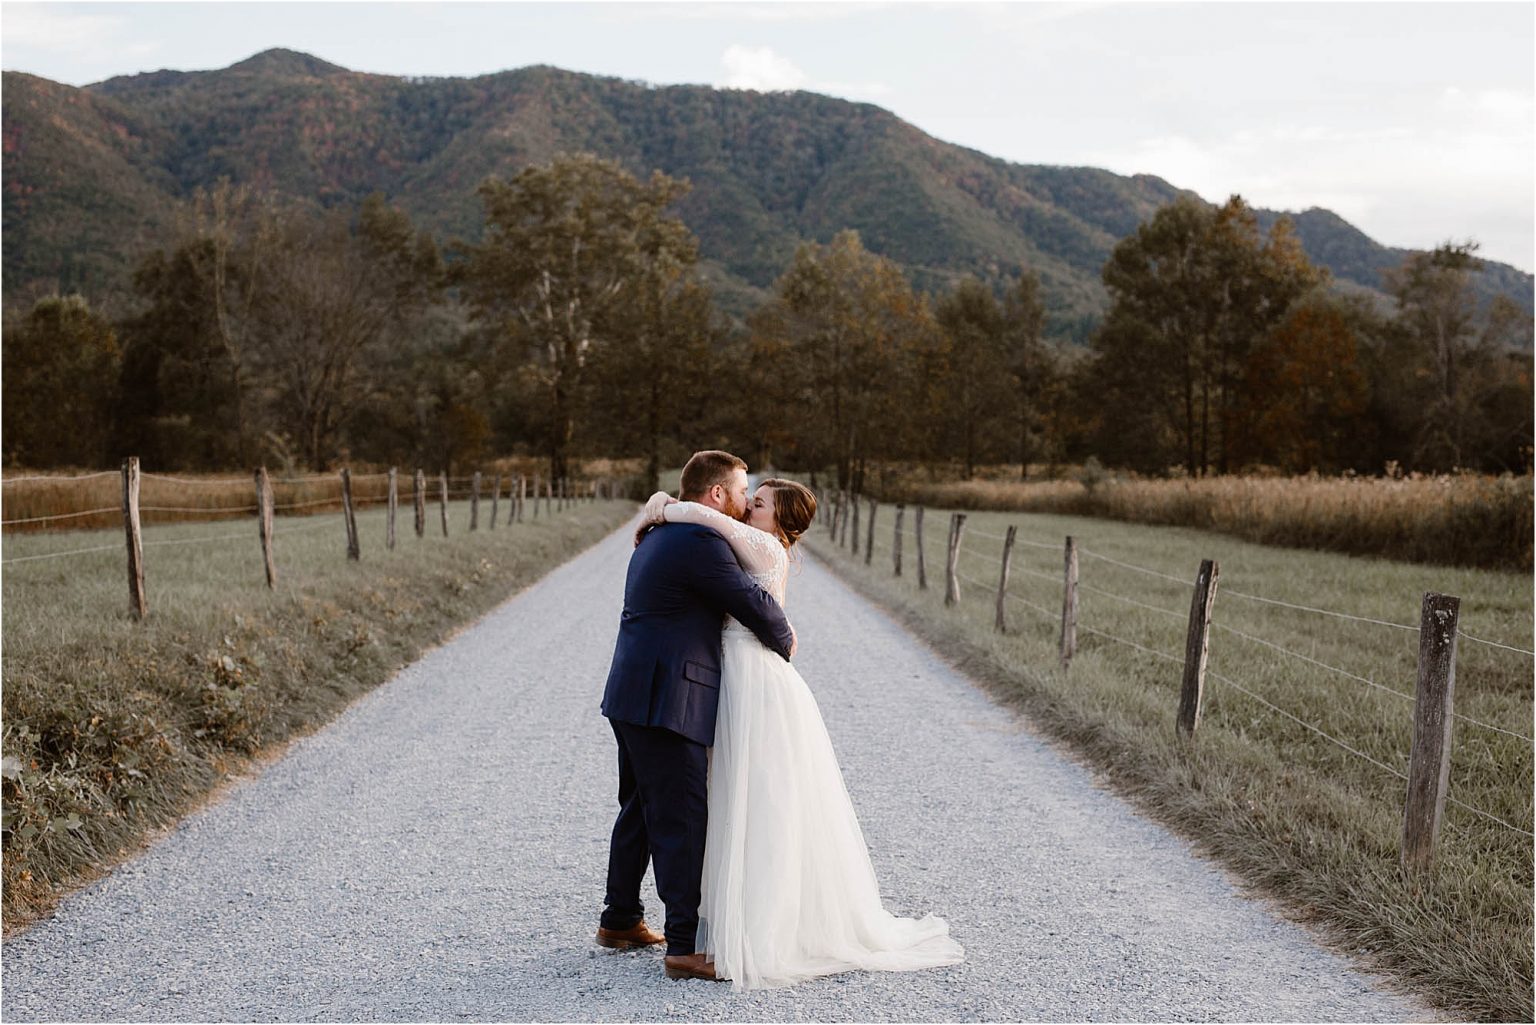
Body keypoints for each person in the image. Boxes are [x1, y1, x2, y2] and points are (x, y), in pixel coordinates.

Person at [636, 477, 964, 991]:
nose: (748, 507)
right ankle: (721, 917)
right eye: (750, 496)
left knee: (758, 795)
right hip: (734, 672)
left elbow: (704, 517)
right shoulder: (751, 541)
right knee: (728, 793)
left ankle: (760, 923)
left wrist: (662, 504)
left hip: (753, 677)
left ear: (780, 521)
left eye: (759, 503)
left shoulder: (764, 545)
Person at [597, 451, 796, 982]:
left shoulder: (662, 531)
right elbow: (754, 605)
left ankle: (619, 920)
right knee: (681, 818)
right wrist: (787, 642)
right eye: (740, 490)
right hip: (668, 699)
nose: (743, 499)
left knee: (640, 807)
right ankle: (684, 947)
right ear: (716, 496)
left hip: (630, 692)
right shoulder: (700, 542)